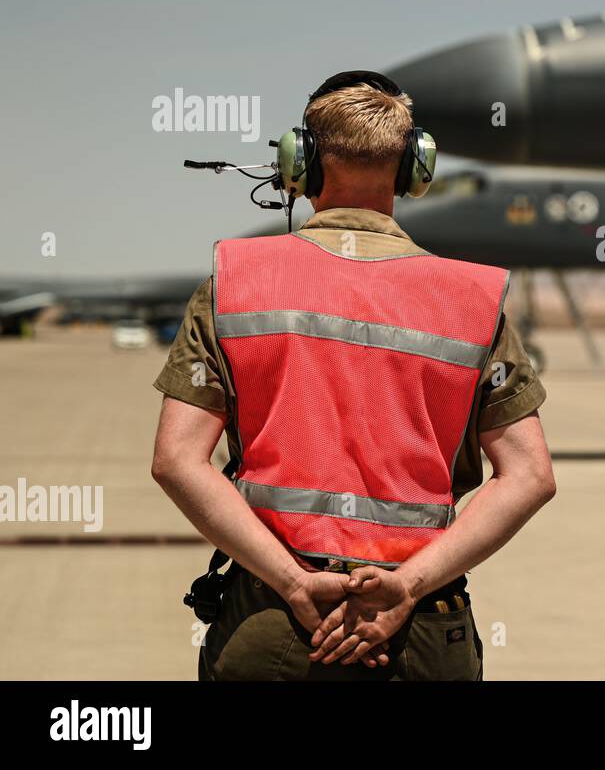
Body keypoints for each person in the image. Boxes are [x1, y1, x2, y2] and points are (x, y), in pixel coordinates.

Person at [150, 71, 555, 680]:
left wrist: (294, 581)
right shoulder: (474, 298)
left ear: (300, 163)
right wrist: (407, 585)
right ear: (415, 170)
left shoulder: (236, 282)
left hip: (273, 622)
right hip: (418, 628)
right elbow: (529, 476)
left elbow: (176, 461)